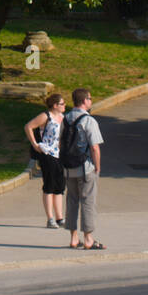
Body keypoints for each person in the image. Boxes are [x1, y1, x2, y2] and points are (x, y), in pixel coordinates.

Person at [61, 87, 106, 250]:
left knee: (71, 201)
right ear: (85, 100)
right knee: (87, 201)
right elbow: (94, 148)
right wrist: (98, 168)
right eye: (90, 99)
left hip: (68, 167)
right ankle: (88, 238)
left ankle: (73, 237)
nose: (91, 101)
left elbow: (61, 143)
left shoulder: (65, 119)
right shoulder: (89, 121)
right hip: (85, 167)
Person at [25, 93, 67, 228]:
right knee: (49, 185)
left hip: (59, 155)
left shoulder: (63, 118)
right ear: (55, 105)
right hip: (47, 153)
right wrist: (35, 144)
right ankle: (50, 218)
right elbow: (28, 127)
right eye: (62, 103)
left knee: (59, 186)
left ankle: (60, 217)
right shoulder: (46, 116)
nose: (65, 105)